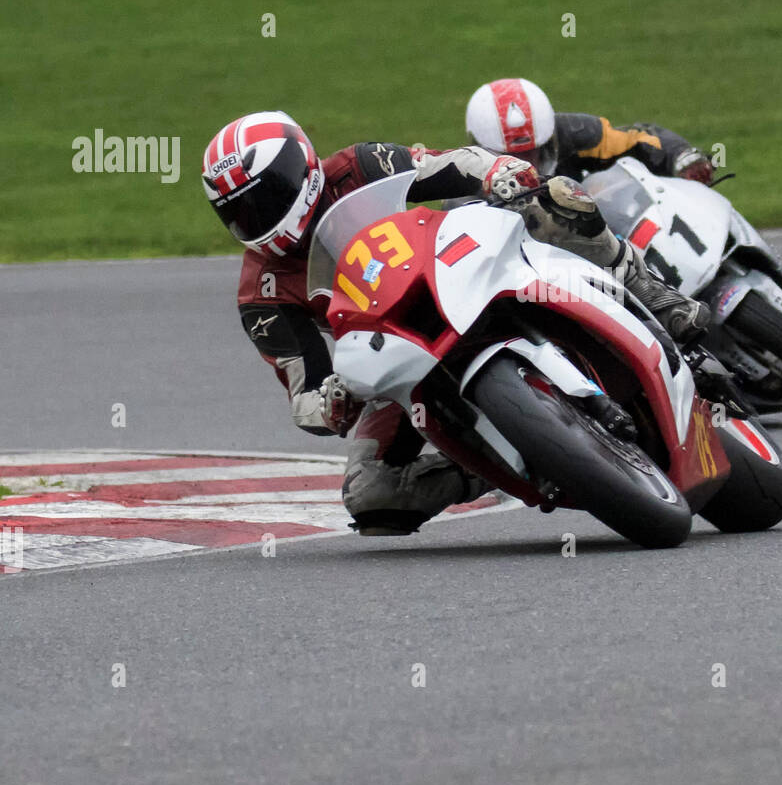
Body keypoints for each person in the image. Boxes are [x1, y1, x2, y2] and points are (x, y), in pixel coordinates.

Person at [201, 111, 708, 536]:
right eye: (237, 211)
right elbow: (303, 392)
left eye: (265, 197)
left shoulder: (357, 165)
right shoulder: (260, 295)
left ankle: (652, 294)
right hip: (396, 354)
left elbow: (444, 165)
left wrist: (496, 172)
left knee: (555, 200)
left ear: (302, 168)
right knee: (371, 495)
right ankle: (505, 458)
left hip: (455, 268)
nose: (255, 217)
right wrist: (330, 401)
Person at [464, 77, 715, 185]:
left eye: (531, 152)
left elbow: (638, 140)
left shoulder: (575, 135)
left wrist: (681, 158)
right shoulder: (463, 193)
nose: (524, 163)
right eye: (510, 156)